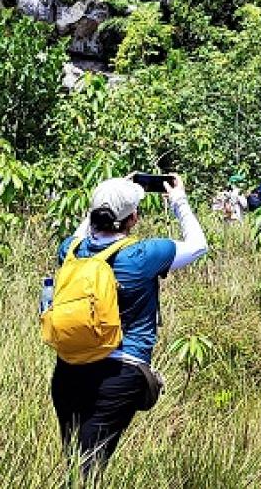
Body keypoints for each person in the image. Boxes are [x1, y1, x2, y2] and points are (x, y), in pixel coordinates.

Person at [49, 174, 208, 478]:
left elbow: (83, 234)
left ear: (92, 213)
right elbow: (198, 246)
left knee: (76, 466)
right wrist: (179, 202)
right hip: (120, 374)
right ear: (133, 218)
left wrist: (105, 197)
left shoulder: (69, 250)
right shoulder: (143, 255)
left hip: (68, 369)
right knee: (88, 471)